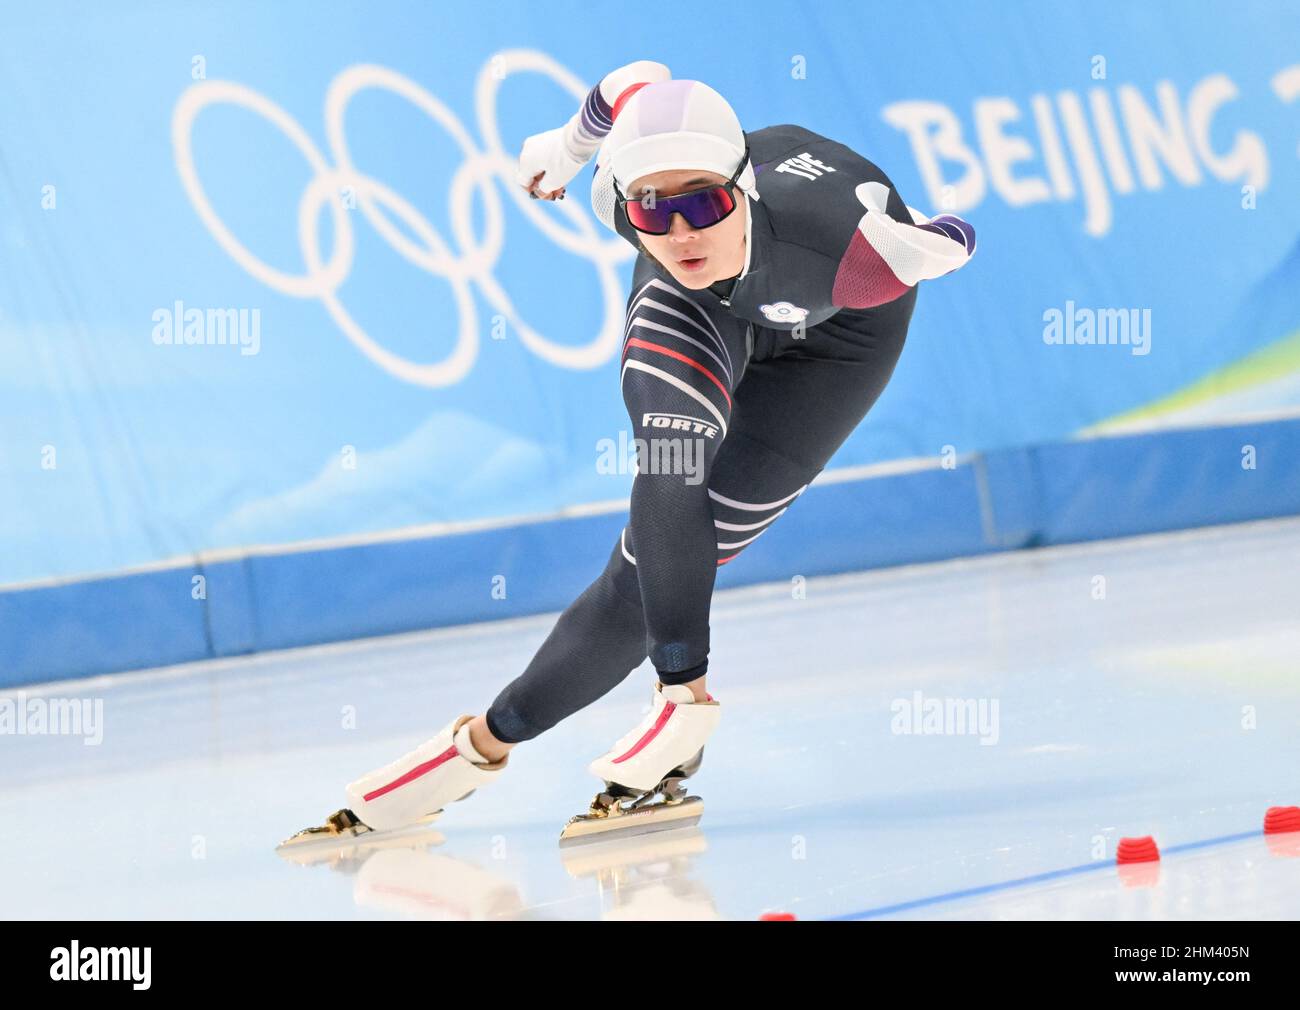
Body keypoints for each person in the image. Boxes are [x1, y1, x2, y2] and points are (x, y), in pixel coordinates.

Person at [337, 61, 975, 836]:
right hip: (699, 307)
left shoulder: (864, 255)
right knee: (658, 513)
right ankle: (486, 743)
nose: (680, 232)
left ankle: (665, 728)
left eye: (705, 204)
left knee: (689, 551)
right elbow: (632, 83)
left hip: (835, 344)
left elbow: (952, 242)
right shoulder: (636, 211)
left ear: (742, 190)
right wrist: (570, 148)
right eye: (653, 212)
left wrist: (935, 238)